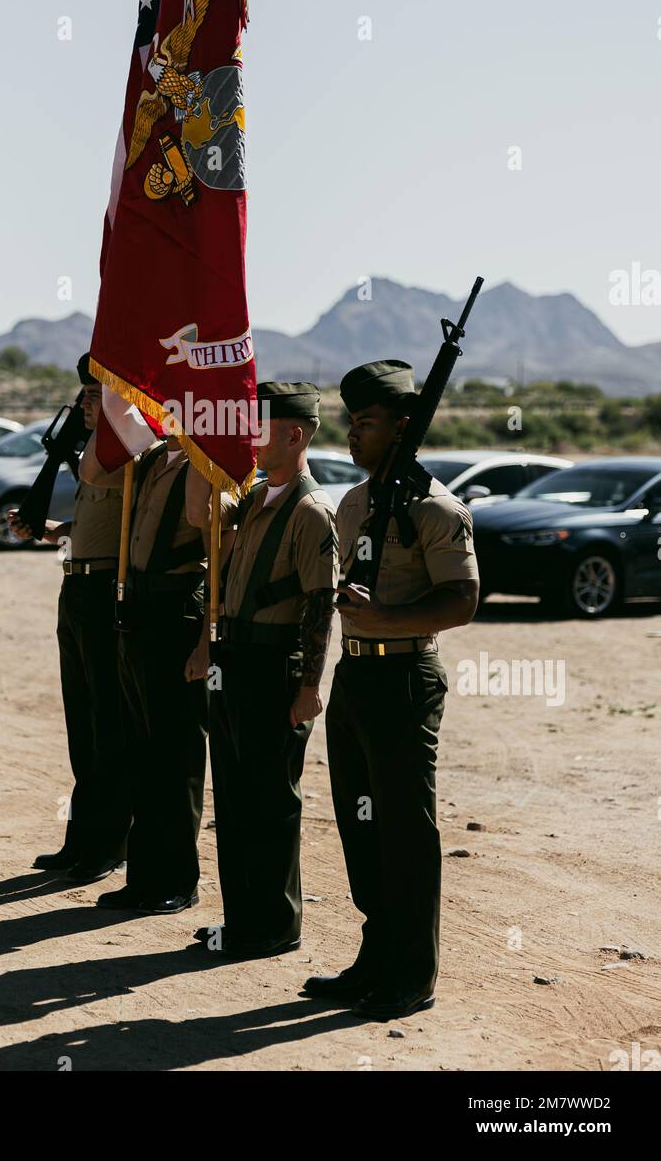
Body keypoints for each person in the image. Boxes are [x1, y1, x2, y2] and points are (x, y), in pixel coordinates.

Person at [302, 360, 479, 1021]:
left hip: (405, 677)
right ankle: (375, 960)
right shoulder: (353, 503)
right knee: (360, 823)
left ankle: (412, 975)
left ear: (402, 427)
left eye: (366, 423)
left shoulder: (437, 508)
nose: (352, 434)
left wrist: (388, 620)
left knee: (405, 830)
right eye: (350, 422)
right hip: (355, 675)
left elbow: (462, 599)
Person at [185, 383, 339, 959]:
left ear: (294, 433)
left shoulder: (311, 511)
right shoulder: (252, 499)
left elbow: (320, 605)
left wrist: (309, 687)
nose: (250, 436)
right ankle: (241, 919)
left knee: (270, 798)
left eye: (260, 427)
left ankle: (274, 923)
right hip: (234, 659)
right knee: (233, 794)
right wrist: (205, 441)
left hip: (275, 664)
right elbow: (199, 510)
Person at [9, 354, 130, 886]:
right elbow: (92, 523)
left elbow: (127, 524)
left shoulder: (124, 455)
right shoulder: (88, 453)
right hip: (76, 584)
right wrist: (49, 527)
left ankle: (107, 845)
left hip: (107, 591)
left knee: (108, 723)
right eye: (82, 394)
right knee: (82, 721)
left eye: (95, 394)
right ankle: (82, 840)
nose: (85, 402)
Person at [80, 423, 209, 915]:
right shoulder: (152, 459)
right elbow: (93, 472)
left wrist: (205, 645)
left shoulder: (207, 464)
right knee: (142, 750)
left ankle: (177, 879)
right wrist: (115, 414)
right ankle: (145, 877)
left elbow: (216, 545)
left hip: (177, 608)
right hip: (136, 606)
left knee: (176, 756)